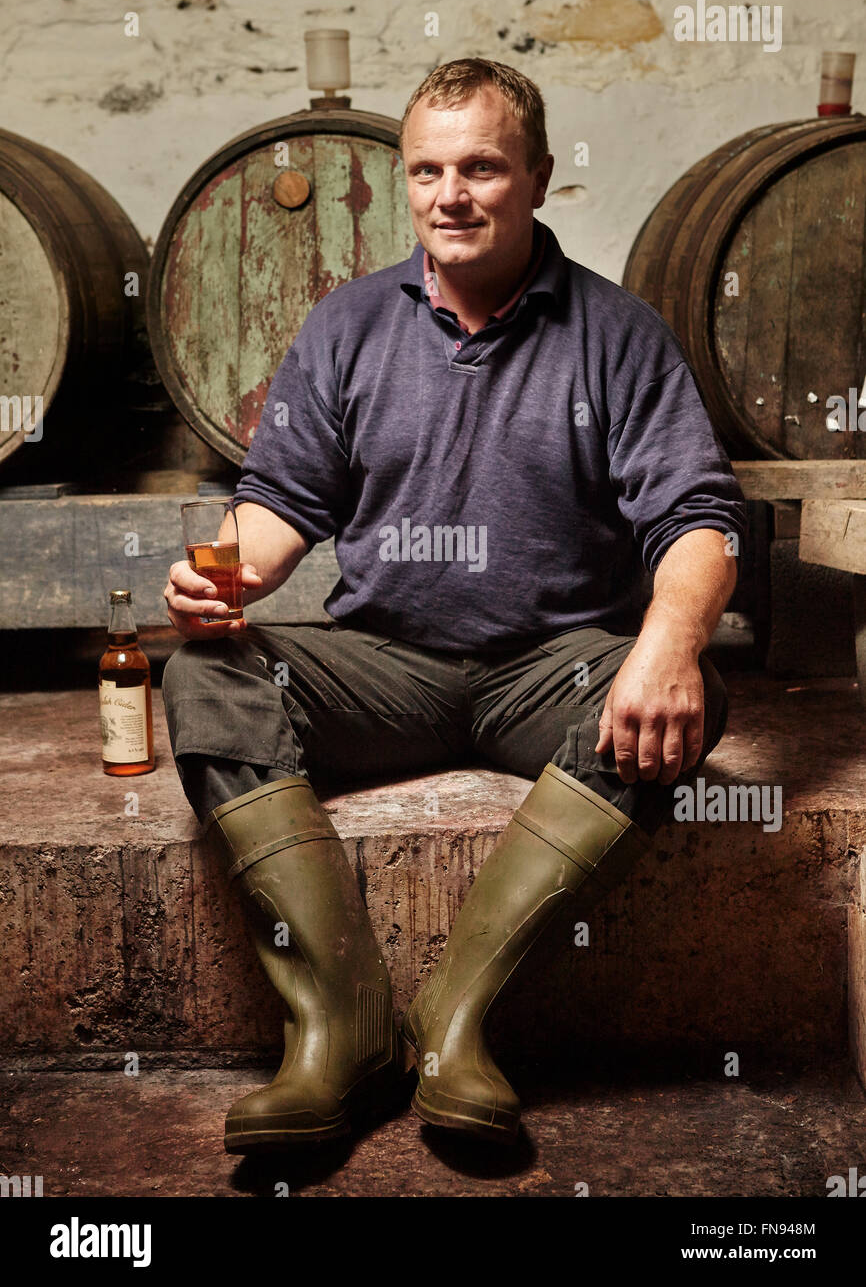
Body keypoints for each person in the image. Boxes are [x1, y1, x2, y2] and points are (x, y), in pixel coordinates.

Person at [162, 58, 747, 1150]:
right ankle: (340, 1027)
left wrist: (666, 644)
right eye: (428, 170)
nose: (451, 194)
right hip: (384, 661)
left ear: (536, 176)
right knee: (208, 671)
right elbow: (281, 502)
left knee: (688, 692)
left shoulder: (614, 333)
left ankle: (453, 1015)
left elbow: (696, 519)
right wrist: (223, 577)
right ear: (406, 182)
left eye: (481, 166)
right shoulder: (347, 325)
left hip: (551, 667)